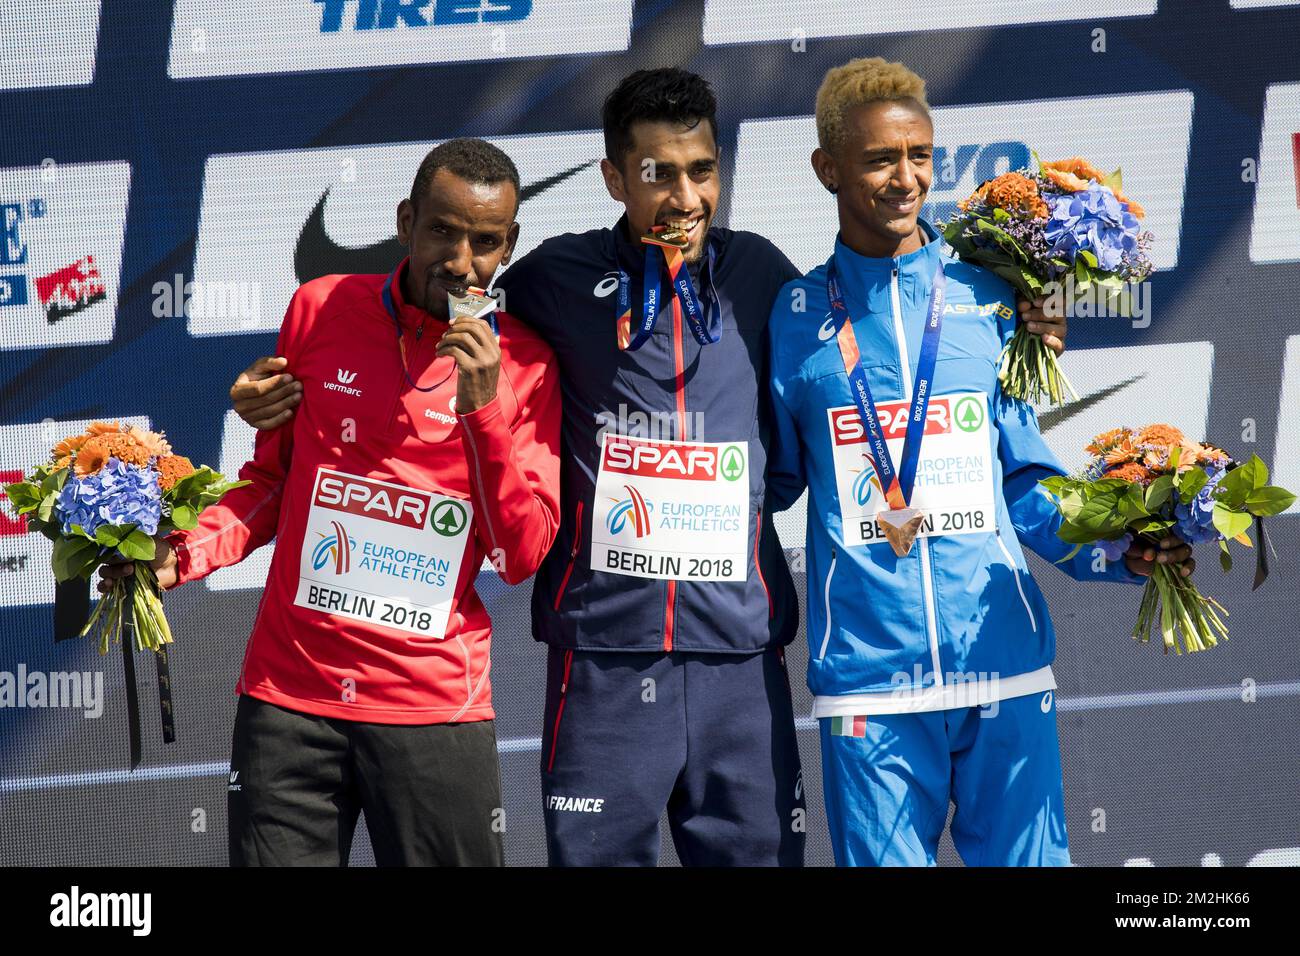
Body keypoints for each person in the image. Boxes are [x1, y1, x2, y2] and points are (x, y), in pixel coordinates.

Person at [228, 68, 1069, 867]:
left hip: (739, 658)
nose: (686, 197)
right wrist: (292, 390)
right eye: (659, 173)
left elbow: (860, 366)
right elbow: (434, 307)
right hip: (603, 658)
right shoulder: (551, 278)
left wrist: (1025, 309)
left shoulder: (765, 277)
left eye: (703, 171)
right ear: (614, 176)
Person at [766, 57, 1193, 866]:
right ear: (828, 168)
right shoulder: (791, 320)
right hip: (870, 682)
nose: (906, 178)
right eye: (879, 159)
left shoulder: (994, 300)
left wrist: (1116, 546)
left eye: (920, 155)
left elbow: (1025, 482)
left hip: (999, 660)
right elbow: (773, 483)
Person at [101, 138, 561, 866]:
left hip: (432, 706)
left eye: (485, 241)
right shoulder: (320, 309)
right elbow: (272, 487)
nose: (461, 259)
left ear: (509, 246)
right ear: (407, 221)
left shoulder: (526, 365)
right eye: (442, 230)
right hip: (290, 698)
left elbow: (519, 556)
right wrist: (176, 555)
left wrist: (484, 416)